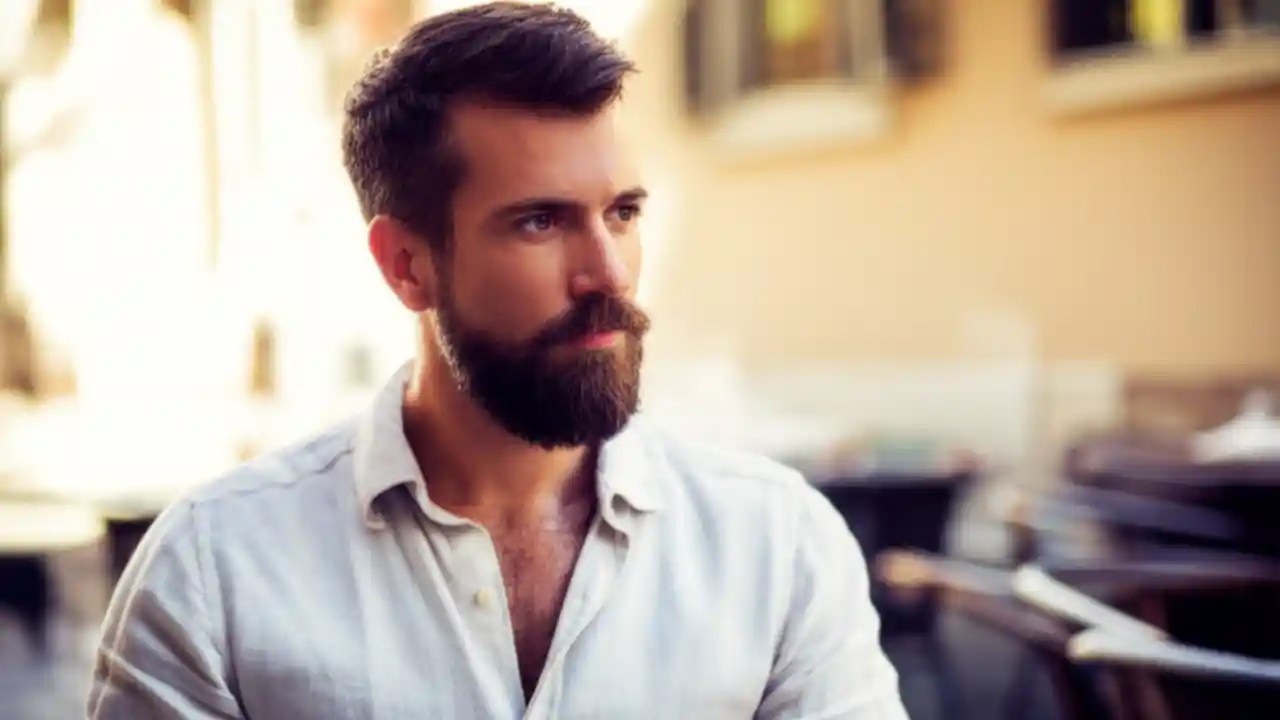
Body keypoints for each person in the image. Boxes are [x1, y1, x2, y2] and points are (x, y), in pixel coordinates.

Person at [87, 3, 906, 718]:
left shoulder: (776, 547)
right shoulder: (215, 571)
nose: (607, 273)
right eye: (540, 223)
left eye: (621, 213)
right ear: (407, 265)